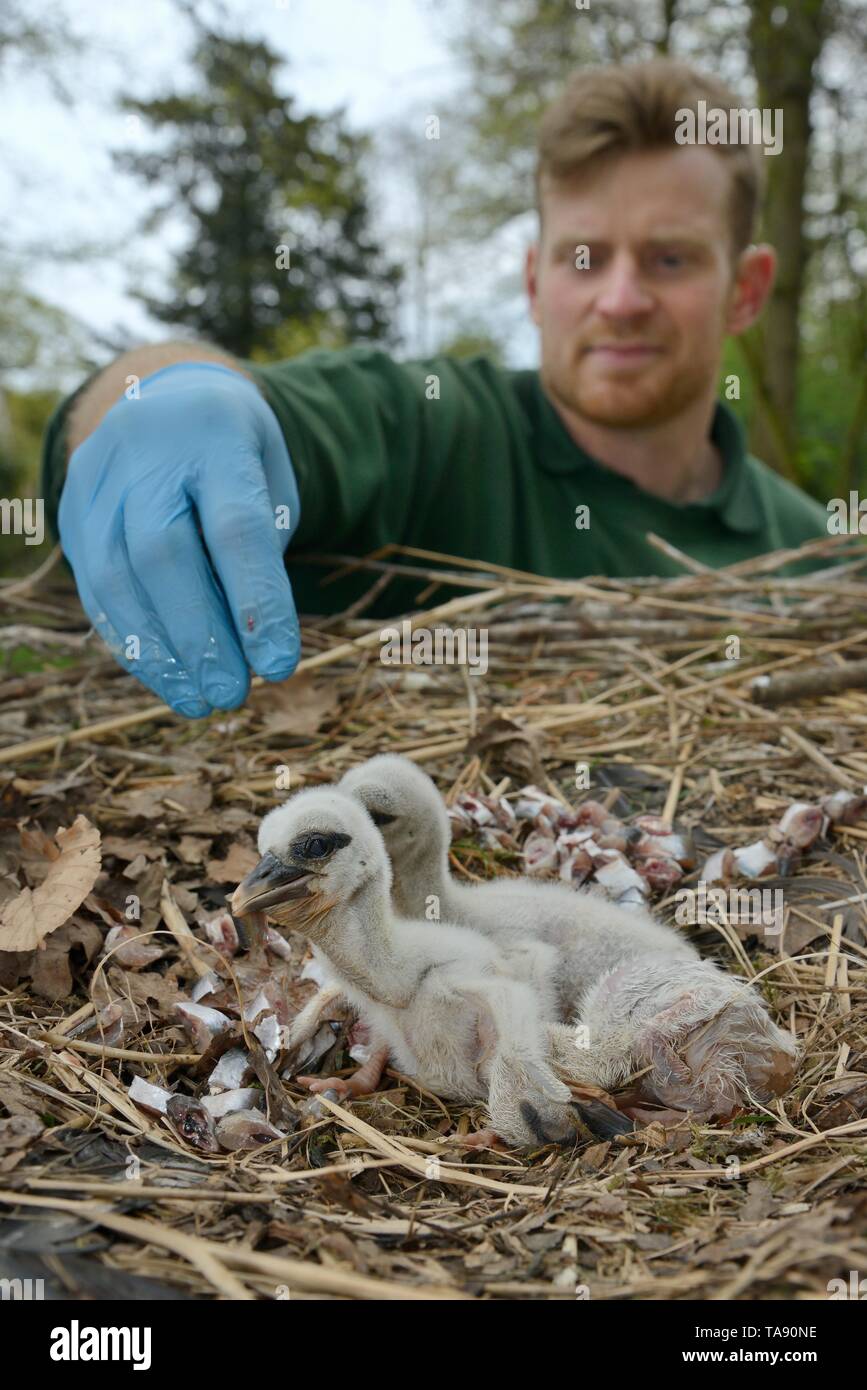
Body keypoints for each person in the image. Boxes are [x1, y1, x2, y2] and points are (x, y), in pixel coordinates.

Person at [41, 59, 830, 719]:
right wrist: (161, 407)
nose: (619, 299)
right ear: (533, 280)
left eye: (669, 260)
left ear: (747, 289)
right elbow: (271, 415)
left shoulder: (819, 557)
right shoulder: (429, 427)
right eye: (582, 258)